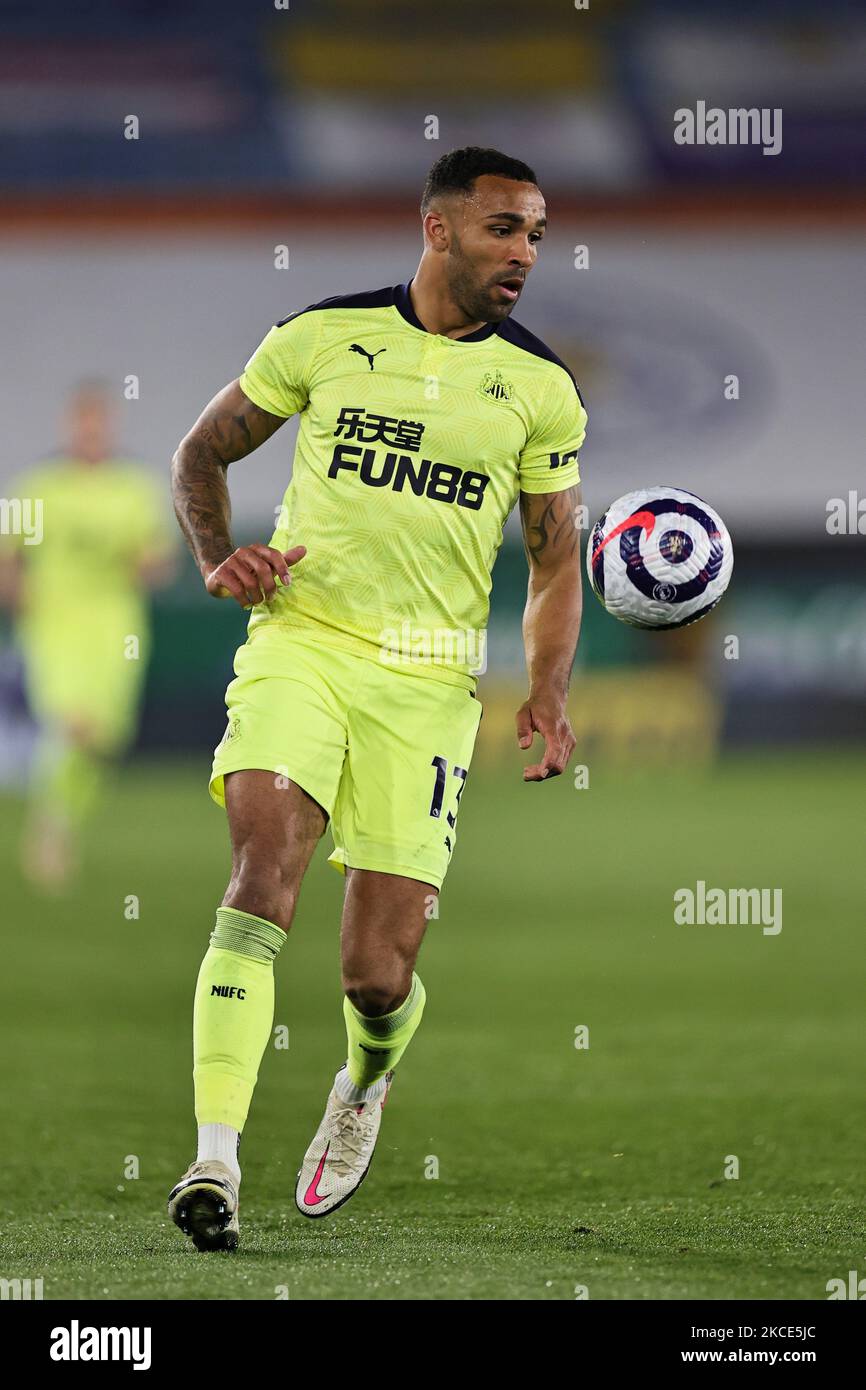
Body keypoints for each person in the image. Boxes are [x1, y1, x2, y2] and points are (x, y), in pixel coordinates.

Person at [167, 146, 587, 1251]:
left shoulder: (538, 389)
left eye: (536, 235)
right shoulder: (322, 337)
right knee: (260, 877)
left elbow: (553, 562)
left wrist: (544, 687)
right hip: (301, 645)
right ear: (437, 227)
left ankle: (364, 1077)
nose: (524, 254)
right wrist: (218, 557)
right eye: (504, 228)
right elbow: (199, 455)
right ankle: (214, 1159)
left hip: (429, 683)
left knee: (375, 969)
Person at [0, 381, 173, 890]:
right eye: (83, 422)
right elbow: (8, 552)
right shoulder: (38, 486)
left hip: (117, 630)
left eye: (99, 422)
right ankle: (50, 832)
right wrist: (17, 593)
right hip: (54, 627)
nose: (91, 431)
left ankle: (59, 820)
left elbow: (158, 560)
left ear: (110, 427)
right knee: (71, 723)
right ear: (70, 426)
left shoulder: (134, 488)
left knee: (102, 739)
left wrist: (145, 565)